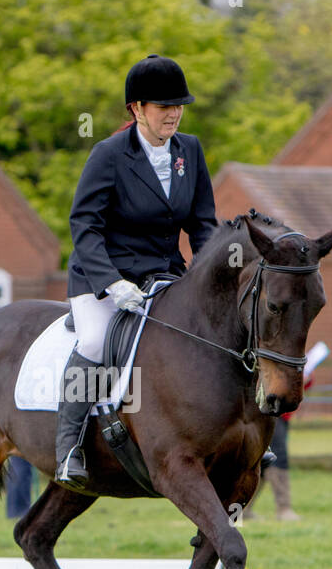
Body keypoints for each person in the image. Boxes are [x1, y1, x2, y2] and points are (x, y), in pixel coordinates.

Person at [58, 53, 219, 484]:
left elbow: (202, 224)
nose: (174, 114)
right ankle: (69, 447)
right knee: (94, 340)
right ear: (137, 109)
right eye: (164, 106)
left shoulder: (190, 150)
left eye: (179, 105)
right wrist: (111, 283)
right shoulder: (109, 154)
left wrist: (209, 276)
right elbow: (84, 225)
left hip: (165, 275)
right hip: (104, 275)